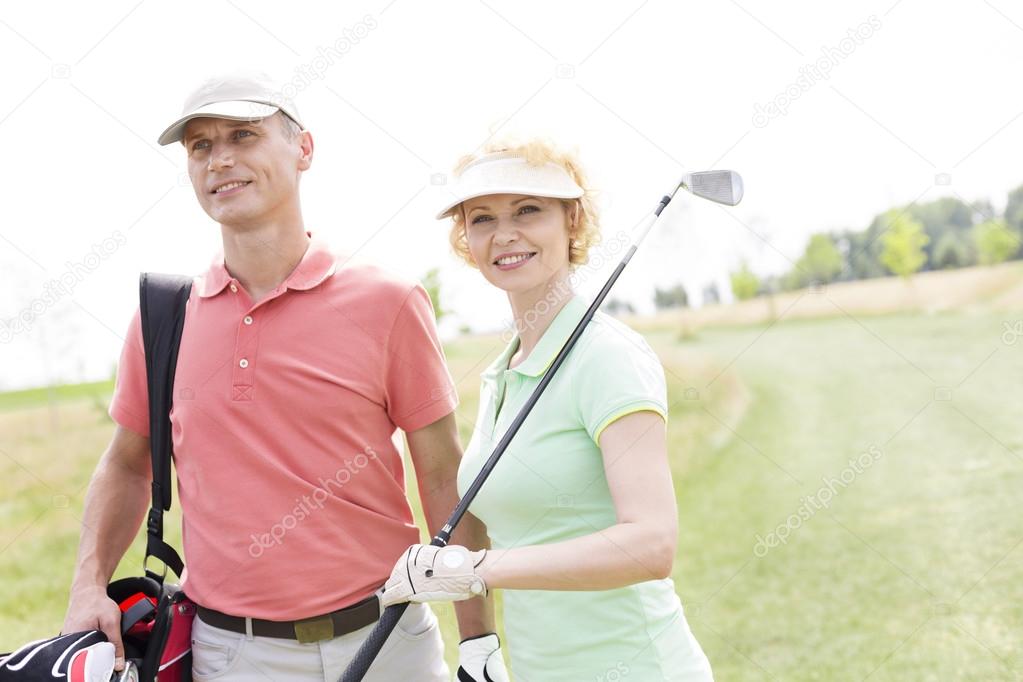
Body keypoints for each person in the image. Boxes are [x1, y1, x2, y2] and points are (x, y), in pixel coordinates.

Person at [61, 72, 508, 682]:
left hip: (389, 641)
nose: (220, 160)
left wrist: (479, 642)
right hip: (233, 655)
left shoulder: (388, 301)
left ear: (303, 150)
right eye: (200, 146)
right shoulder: (164, 316)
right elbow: (125, 464)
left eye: (243, 136)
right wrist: (86, 586)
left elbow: (440, 474)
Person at [380, 141, 714, 680]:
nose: (504, 234)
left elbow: (651, 544)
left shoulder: (608, 357)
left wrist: (474, 570)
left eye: (528, 210)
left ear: (572, 219)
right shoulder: (506, 371)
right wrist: (478, 641)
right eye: (482, 218)